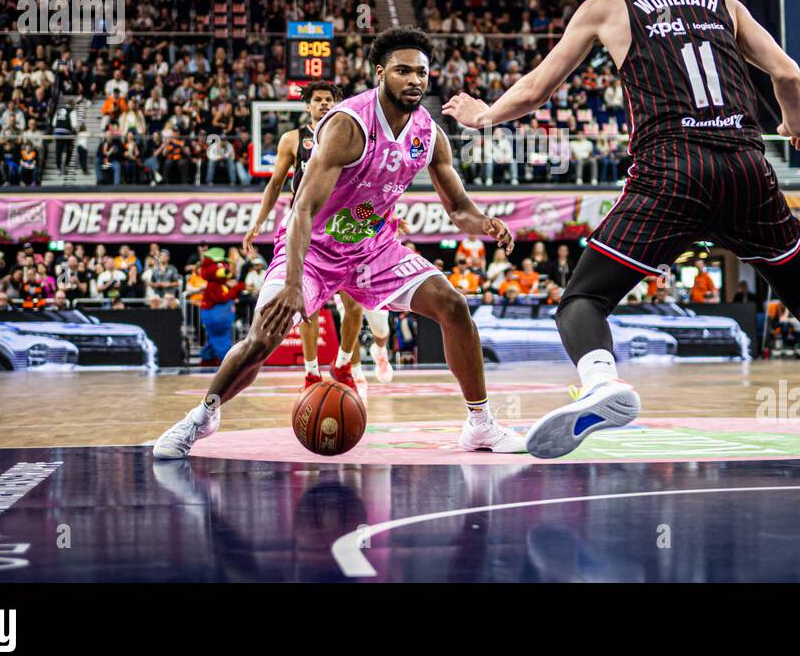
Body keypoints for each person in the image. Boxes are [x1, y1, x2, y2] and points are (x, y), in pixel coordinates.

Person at [443, 0, 800, 471]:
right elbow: (788, 73)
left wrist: (484, 114)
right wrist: (795, 127)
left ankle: (601, 384)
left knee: (584, 298)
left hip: (673, 168)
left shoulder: (608, 5)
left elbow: (539, 89)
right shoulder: (721, 1)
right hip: (747, 166)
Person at [155, 28, 524, 458]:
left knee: (453, 305)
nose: (414, 80)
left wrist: (485, 223)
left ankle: (480, 424)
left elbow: (458, 207)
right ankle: (202, 415)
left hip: (373, 250)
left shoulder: (429, 132)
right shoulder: (350, 125)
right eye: (403, 71)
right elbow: (301, 211)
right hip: (313, 251)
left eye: (421, 72)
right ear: (380, 72)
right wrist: (293, 283)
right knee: (263, 337)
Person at [240, 80, 391, 398]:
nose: (323, 104)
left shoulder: (352, 134)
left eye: (329, 99)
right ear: (307, 105)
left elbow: (372, 184)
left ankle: (345, 364)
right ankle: (311, 372)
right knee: (306, 304)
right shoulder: (293, 139)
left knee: (354, 304)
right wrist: (259, 221)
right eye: (318, 100)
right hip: (307, 228)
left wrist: (386, 219)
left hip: (343, 226)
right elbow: (276, 183)